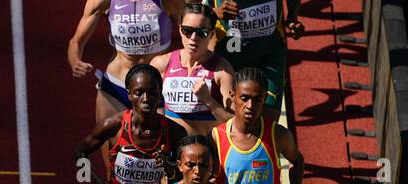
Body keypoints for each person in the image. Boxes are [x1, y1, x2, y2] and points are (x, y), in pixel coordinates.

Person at [68, 0, 188, 128]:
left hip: (156, 87)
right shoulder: (102, 1)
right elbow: (76, 42)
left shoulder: (168, 2)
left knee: (159, 143)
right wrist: (75, 61)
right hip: (116, 84)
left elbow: (192, 30)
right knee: (108, 142)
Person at [210, 0, 305, 122]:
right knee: (231, 117)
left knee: (269, 121)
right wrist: (215, 13)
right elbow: (187, 10)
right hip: (229, 55)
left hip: (269, 53)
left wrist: (292, 17)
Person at [151, 2, 235, 136]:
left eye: (202, 32)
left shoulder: (222, 70)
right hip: (171, 151)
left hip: (205, 151)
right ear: (179, 29)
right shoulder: (161, 64)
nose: (193, 38)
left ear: (212, 34)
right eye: (187, 31)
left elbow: (235, 123)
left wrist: (208, 101)